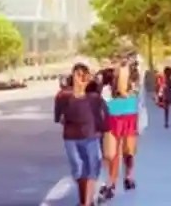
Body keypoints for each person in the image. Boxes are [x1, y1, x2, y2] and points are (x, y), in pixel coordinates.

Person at [55, 63, 106, 206]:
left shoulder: (94, 97)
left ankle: (87, 202)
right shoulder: (63, 96)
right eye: (78, 75)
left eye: (85, 75)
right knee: (79, 170)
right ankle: (85, 200)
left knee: (92, 169)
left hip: (91, 137)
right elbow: (59, 117)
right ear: (73, 76)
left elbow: (102, 116)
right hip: (71, 138)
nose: (81, 78)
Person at [101, 61, 141, 201]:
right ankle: (111, 183)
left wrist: (141, 125)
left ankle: (128, 176)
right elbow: (102, 107)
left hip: (130, 120)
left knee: (128, 153)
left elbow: (140, 107)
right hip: (113, 121)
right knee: (112, 155)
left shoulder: (135, 89)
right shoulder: (107, 90)